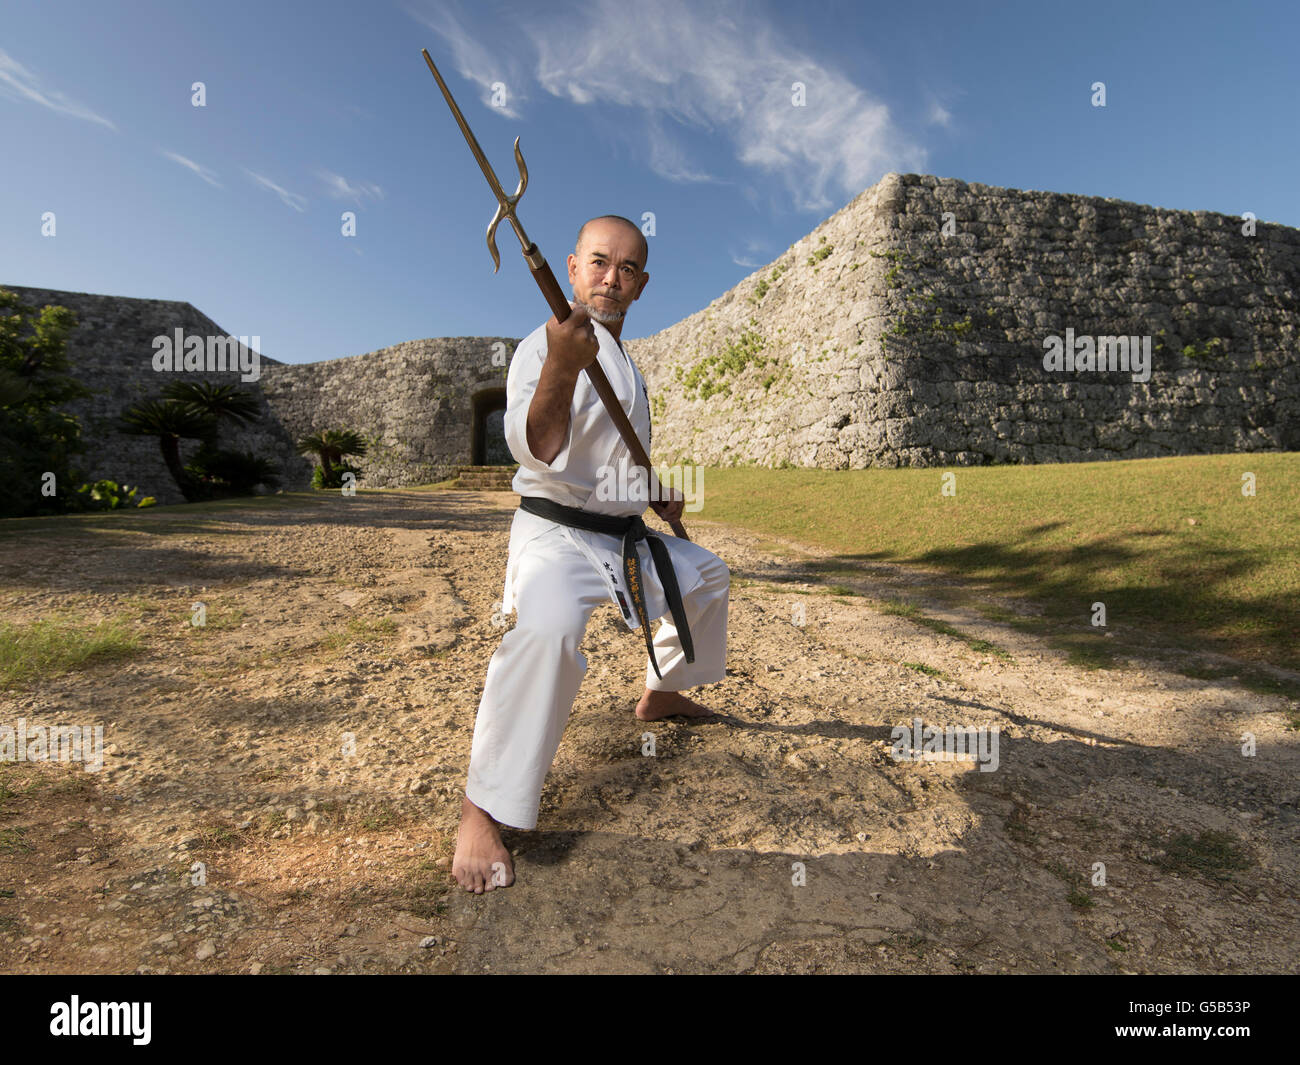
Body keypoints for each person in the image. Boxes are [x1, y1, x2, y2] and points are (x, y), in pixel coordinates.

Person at [451, 215, 731, 894]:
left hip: (619, 533)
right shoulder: (538, 347)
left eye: (628, 267)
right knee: (547, 630)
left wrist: (656, 491)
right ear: (572, 268)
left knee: (706, 576)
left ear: (641, 284)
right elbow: (540, 446)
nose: (612, 277)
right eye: (600, 262)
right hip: (555, 534)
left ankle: (661, 694)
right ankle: (480, 808)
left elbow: (614, 459)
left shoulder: (629, 368)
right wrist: (560, 364)